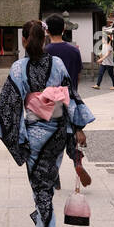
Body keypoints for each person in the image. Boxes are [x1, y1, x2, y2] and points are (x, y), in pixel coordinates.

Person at [0, 19, 93, 227]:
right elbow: (71, 96)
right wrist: (77, 128)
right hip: (57, 133)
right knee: (45, 181)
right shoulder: (57, 64)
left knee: (40, 187)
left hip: (35, 134)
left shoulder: (18, 68)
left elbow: (9, 106)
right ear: (44, 39)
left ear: (24, 40)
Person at [44, 14, 91, 187]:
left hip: (51, 102)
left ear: (47, 30)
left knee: (52, 140)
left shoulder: (45, 52)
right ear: (64, 29)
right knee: (70, 134)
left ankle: (54, 177)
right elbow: (77, 75)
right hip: (70, 99)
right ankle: (77, 160)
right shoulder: (74, 51)